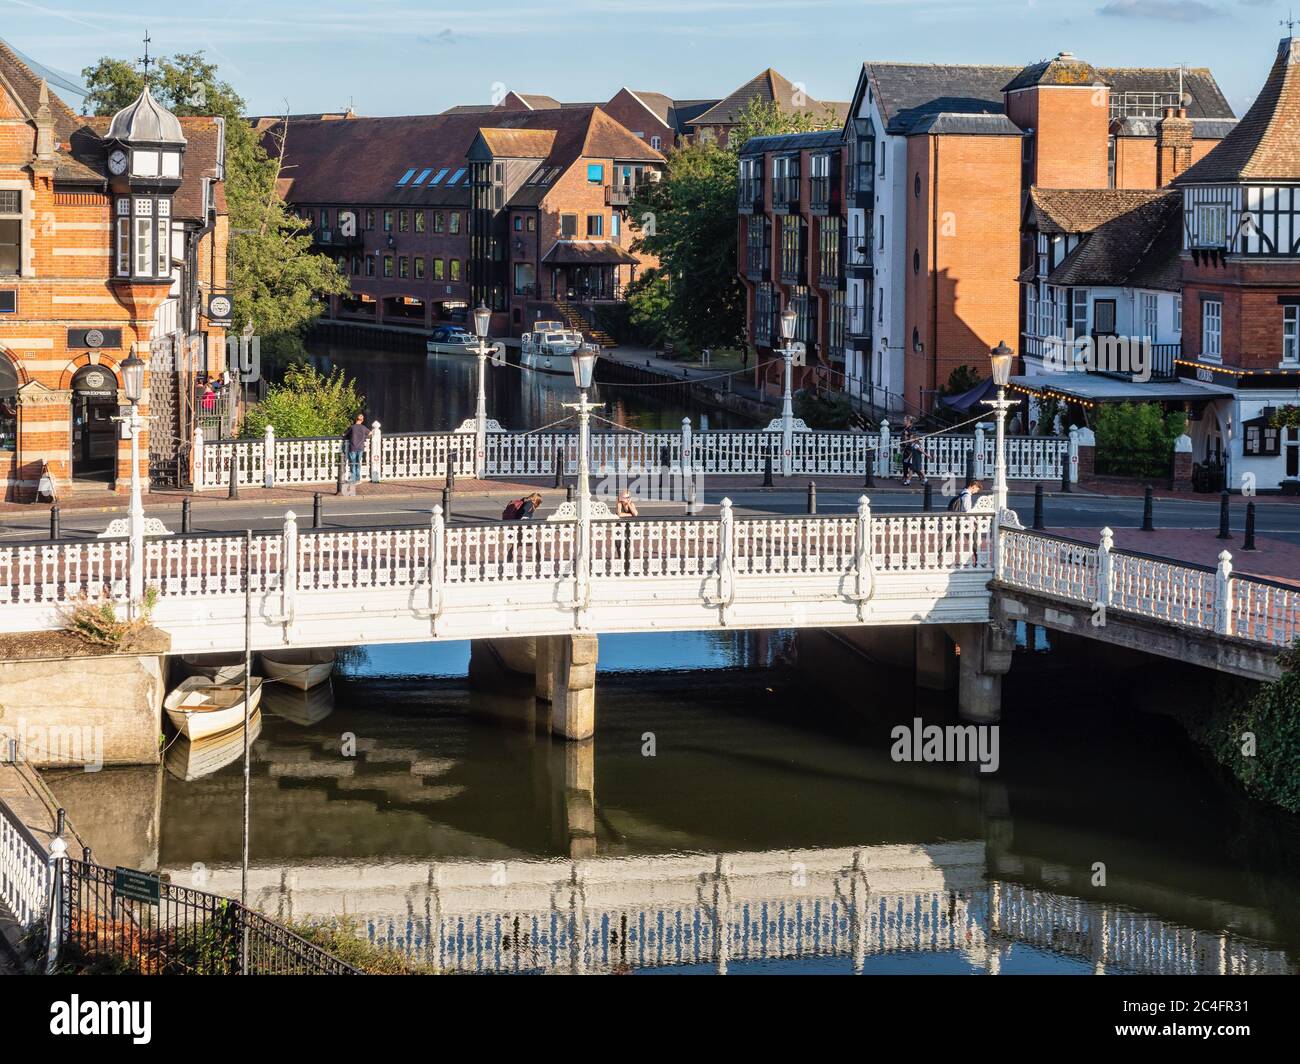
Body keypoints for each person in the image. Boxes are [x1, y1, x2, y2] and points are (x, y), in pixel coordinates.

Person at [344, 414, 369, 484]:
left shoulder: (352, 427)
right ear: (362, 420)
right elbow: (370, 433)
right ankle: (358, 479)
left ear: (356, 419)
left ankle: (353, 480)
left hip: (353, 447)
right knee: (358, 464)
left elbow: (344, 434)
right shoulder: (364, 428)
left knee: (353, 464)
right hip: (360, 447)